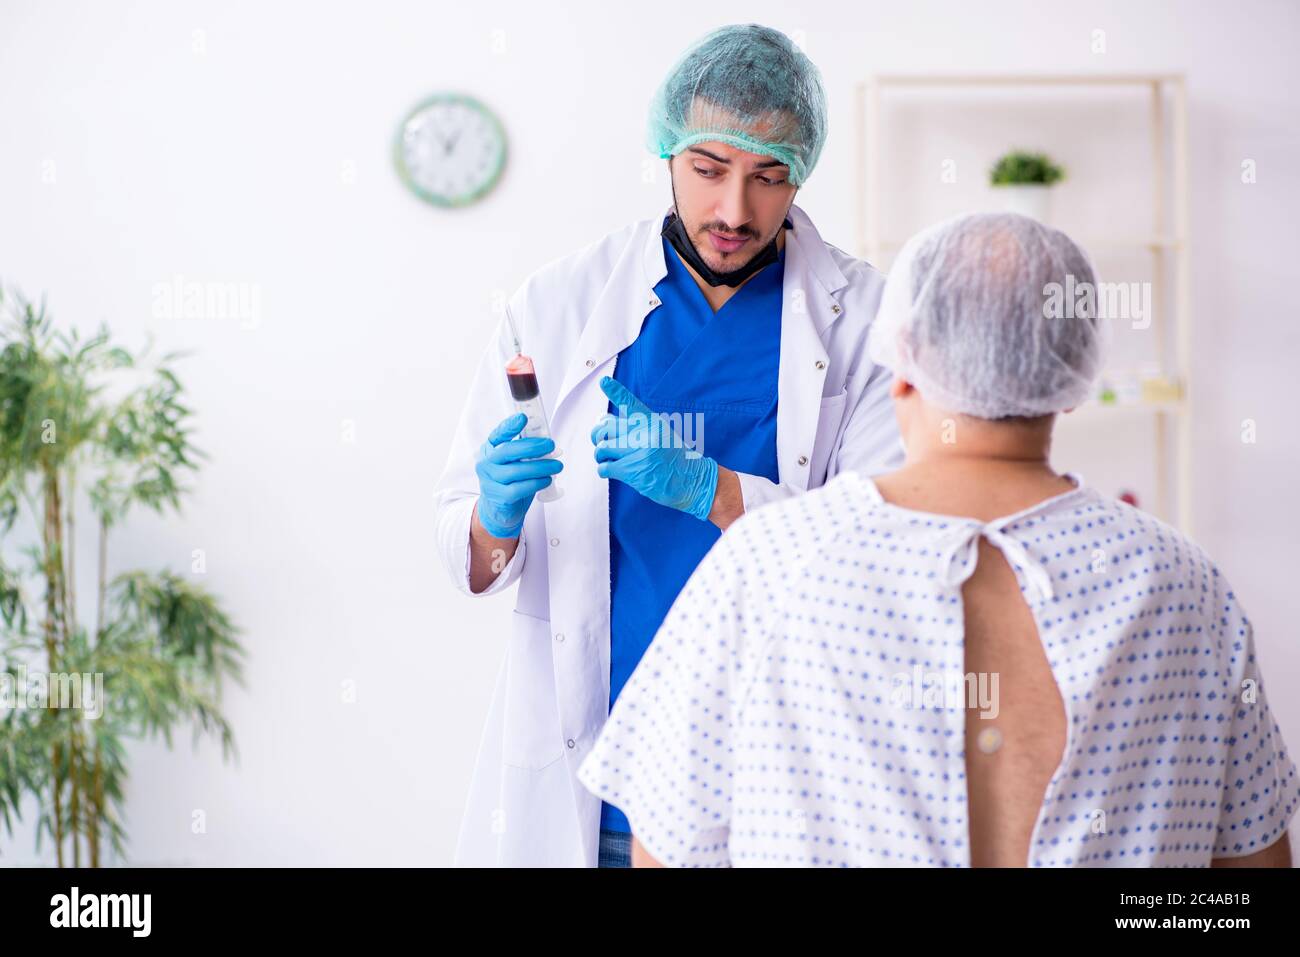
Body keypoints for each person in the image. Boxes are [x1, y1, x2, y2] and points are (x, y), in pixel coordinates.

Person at [577, 211, 1300, 867]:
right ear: (1073, 379)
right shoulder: (1184, 584)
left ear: (901, 360)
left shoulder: (766, 564)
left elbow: (666, 852)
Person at [433, 24, 904, 867]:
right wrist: (492, 514)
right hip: (599, 769)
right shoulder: (558, 302)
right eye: (709, 169)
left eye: (768, 177)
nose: (734, 211)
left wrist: (713, 490)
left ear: (802, 172)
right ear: (666, 153)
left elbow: (879, 551)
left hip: (779, 778)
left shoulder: (868, 322)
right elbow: (465, 547)